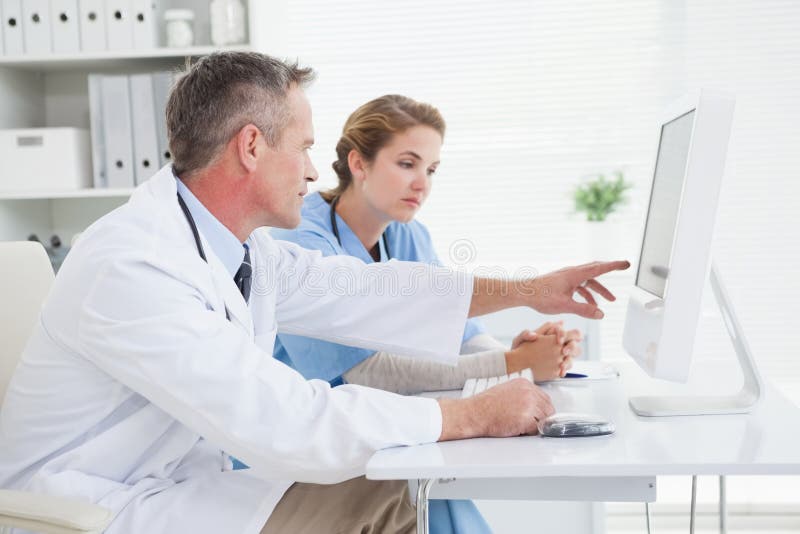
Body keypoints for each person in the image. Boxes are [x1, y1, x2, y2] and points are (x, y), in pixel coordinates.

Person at [0, 52, 628, 534]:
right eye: (302, 146)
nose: (310, 169)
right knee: (387, 487)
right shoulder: (132, 265)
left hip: (176, 483)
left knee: (393, 483)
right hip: (86, 509)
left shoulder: (243, 248)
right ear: (251, 146)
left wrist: (531, 289)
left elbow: (367, 289)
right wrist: (467, 416)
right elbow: (286, 419)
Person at [272, 95, 583, 401]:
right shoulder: (300, 239)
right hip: (300, 435)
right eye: (407, 164)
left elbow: (461, 328)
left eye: (431, 170)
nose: (423, 184)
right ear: (358, 163)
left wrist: (521, 356)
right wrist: (514, 364)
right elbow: (367, 373)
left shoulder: (407, 233)